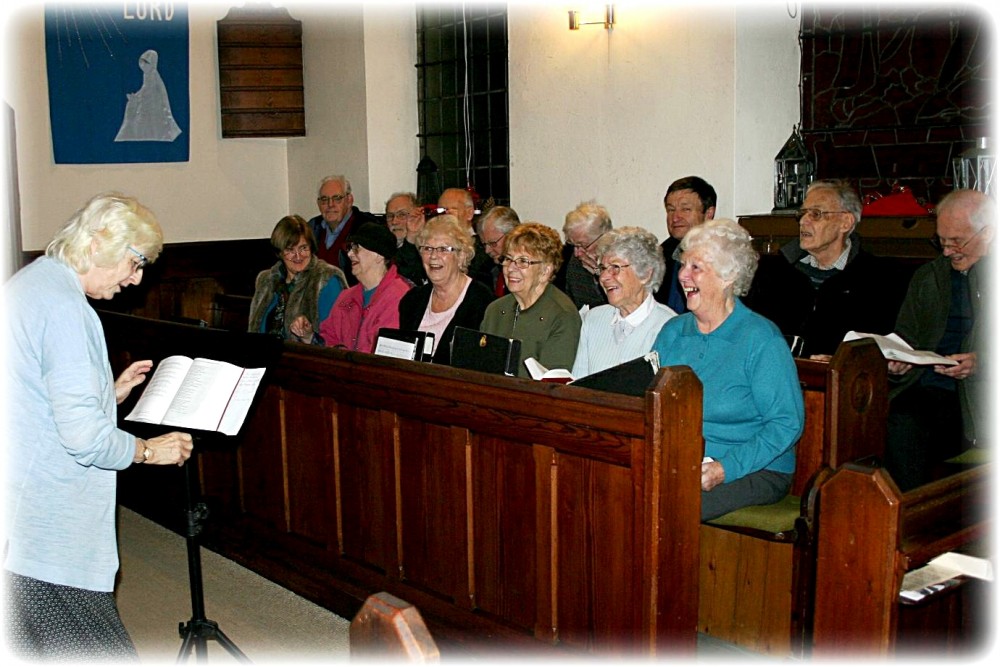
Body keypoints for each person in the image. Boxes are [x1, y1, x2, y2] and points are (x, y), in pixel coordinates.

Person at [3, 192, 195, 661]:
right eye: (134, 261)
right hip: (49, 535)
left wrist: (106, 396)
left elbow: (34, 400)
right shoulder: (66, 310)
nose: (137, 278)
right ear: (96, 244)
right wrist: (151, 451)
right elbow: (85, 440)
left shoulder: (33, 284)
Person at [650, 218, 804, 521]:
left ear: (728, 276)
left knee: (669, 506)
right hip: (683, 460)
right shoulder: (672, 332)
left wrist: (724, 469)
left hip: (756, 468)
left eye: (696, 267)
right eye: (683, 265)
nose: (682, 274)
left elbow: (787, 423)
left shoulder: (760, 338)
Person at [884, 189, 993, 491]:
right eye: (941, 242)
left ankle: (906, 522)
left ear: (989, 232)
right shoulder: (929, 277)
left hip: (979, 400)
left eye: (956, 241)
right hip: (926, 389)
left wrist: (980, 363)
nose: (947, 252)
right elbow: (906, 336)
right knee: (874, 420)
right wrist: (898, 360)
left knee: (905, 426)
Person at [743, 178, 907, 357]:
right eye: (802, 213)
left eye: (816, 214)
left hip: (840, 379)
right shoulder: (771, 272)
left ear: (846, 222)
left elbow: (882, 349)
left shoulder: (880, 279)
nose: (803, 221)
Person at [480, 223, 582, 378]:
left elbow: (552, 384)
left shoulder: (562, 315)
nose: (511, 268)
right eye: (508, 259)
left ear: (545, 271)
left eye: (523, 261)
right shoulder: (495, 310)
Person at [572, 227, 676, 378]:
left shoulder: (668, 327)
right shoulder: (592, 320)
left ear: (646, 274)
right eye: (602, 268)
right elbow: (577, 387)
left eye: (615, 267)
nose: (603, 277)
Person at [398, 215, 495, 364]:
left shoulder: (481, 301)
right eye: (428, 248)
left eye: (443, 249)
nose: (433, 256)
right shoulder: (412, 300)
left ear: (461, 256)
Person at [248, 214, 347, 343]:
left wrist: (308, 334)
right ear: (280, 252)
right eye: (290, 250)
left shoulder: (326, 279)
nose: (298, 256)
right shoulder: (267, 280)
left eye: (303, 248)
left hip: (308, 360)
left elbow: (336, 338)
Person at [319, 222, 411, 352]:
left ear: (379, 255)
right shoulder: (346, 297)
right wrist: (309, 337)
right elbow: (327, 337)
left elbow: (383, 353)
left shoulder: (399, 297)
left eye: (356, 248)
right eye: (349, 248)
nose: (350, 254)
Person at [653, 176, 717, 313]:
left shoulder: (723, 258)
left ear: (708, 214)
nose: (675, 218)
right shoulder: (660, 255)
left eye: (686, 209)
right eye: (670, 210)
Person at [308, 175, 377, 285]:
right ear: (318, 204)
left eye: (337, 198)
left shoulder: (364, 228)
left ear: (349, 200)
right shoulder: (312, 228)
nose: (330, 205)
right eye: (324, 199)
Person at [560, 200, 613, 309]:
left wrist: (599, 274)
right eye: (573, 244)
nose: (577, 253)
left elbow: (618, 306)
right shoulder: (567, 257)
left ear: (605, 238)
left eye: (583, 245)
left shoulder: (620, 264)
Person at [437, 187, 494, 289]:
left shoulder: (482, 247)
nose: (445, 216)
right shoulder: (434, 246)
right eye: (441, 210)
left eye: (452, 210)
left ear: (469, 213)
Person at [385, 191, 428, 287]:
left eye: (402, 215)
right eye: (390, 216)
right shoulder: (383, 248)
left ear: (418, 215)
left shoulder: (430, 246)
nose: (394, 221)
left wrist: (411, 236)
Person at [476, 204, 520, 297]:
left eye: (492, 243)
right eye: (484, 244)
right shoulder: (485, 270)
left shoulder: (527, 269)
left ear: (511, 235)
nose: (487, 250)